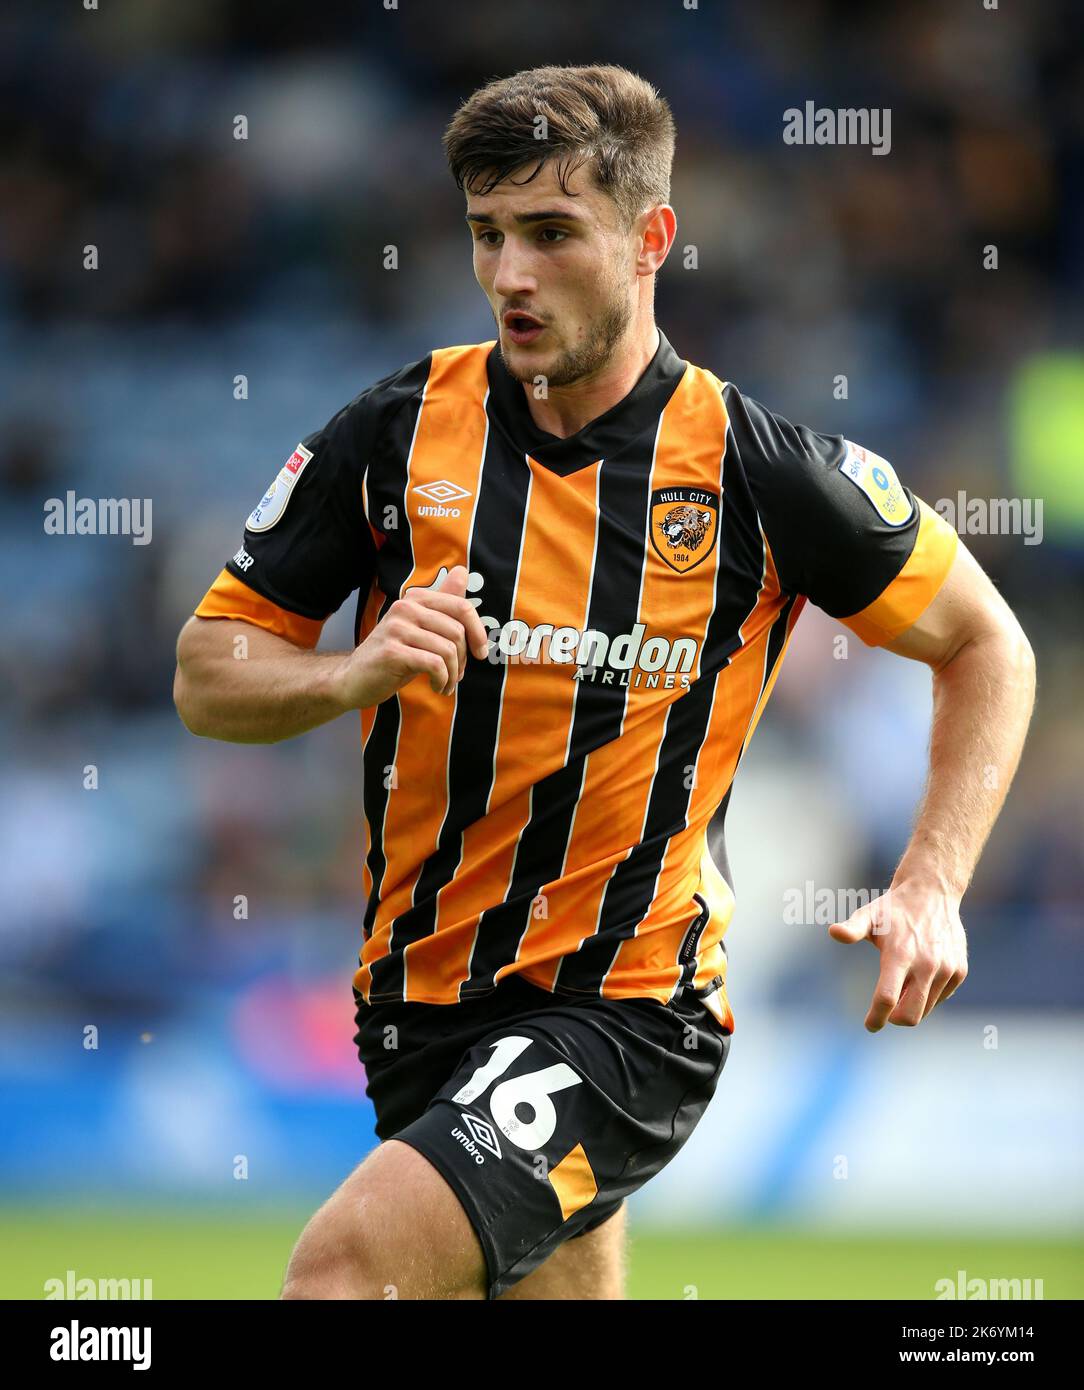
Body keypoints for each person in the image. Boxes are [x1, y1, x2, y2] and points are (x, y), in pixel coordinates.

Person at [173, 63, 1036, 1300]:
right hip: (421, 996)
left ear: (650, 239)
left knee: (343, 1270)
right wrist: (349, 671)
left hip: (630, 1007)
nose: (509, 274)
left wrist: (931, 884)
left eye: (550, 234)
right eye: (486, 234)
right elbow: (209, 671)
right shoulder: (397, 431)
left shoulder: (756, 468)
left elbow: (985, 642)